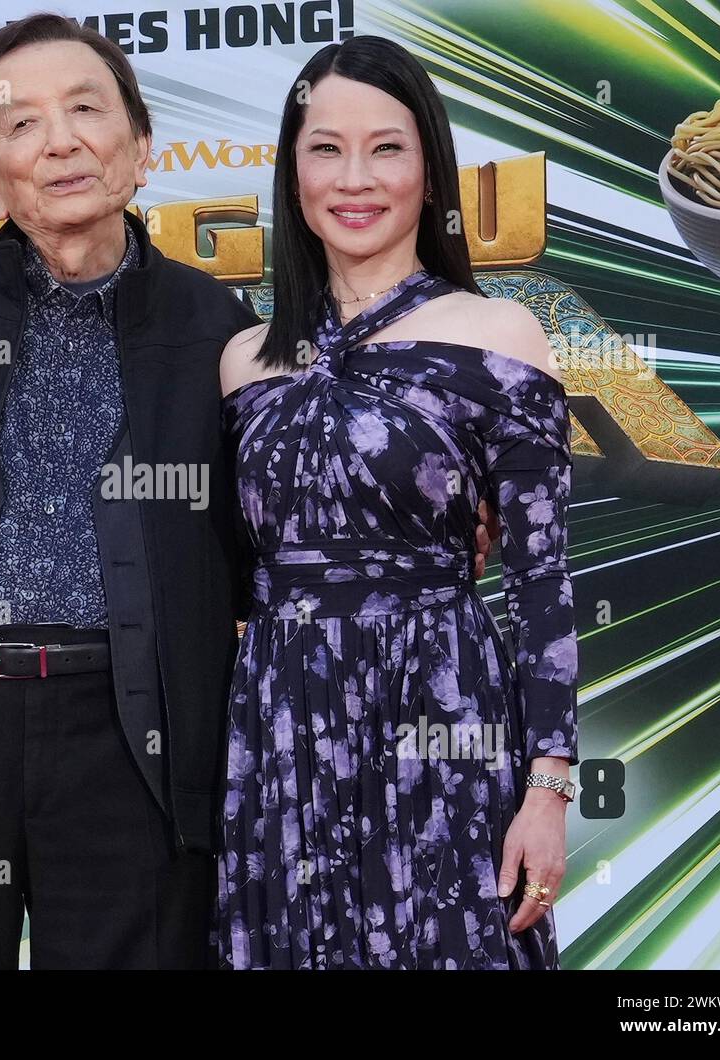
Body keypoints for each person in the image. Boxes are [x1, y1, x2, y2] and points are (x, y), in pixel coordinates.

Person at [0, 13, 498, 970]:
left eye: (86, 110)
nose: (63, 141)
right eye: (22, 124)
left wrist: (410, 523)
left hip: (143, 748)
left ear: (143, 148)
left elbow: (268, 546)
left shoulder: (222, 332)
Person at [215, 35, 580, 969]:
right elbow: (231, 573)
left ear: (430, 169)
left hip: (442, 712)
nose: (355, 178)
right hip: (282, 724)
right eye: (325, 148)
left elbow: (541, 580)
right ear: (292, 170)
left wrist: (548, 788)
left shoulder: (499, 335)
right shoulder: (242, 360)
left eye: (388, 147)